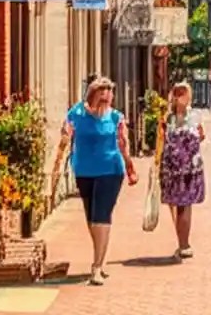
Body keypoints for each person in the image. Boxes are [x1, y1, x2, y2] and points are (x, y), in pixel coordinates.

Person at [58, 76, 137, 285]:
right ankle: (100, 255)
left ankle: (97, 266)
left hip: (110, 170)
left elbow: (123, 144)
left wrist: (130, 167)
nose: (106, 101)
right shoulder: (77, 113)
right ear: (92, 96)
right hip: (84, 170)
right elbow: (65, 136)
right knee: (91, 218)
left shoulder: (116, 118)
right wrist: (57, 164)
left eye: (109, 97)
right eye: (102, 97)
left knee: (101, 215)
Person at [158, 80, 206, 261]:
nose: (182, 98)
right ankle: (182, 242)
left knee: (185, 205)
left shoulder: (195, 116)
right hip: (171, 169)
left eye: (185, 94)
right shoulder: (167, 118)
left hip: (190, 169)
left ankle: (184, 244)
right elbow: (161, 141)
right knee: (176, 205)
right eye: (178, 94)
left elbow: (201, 135)